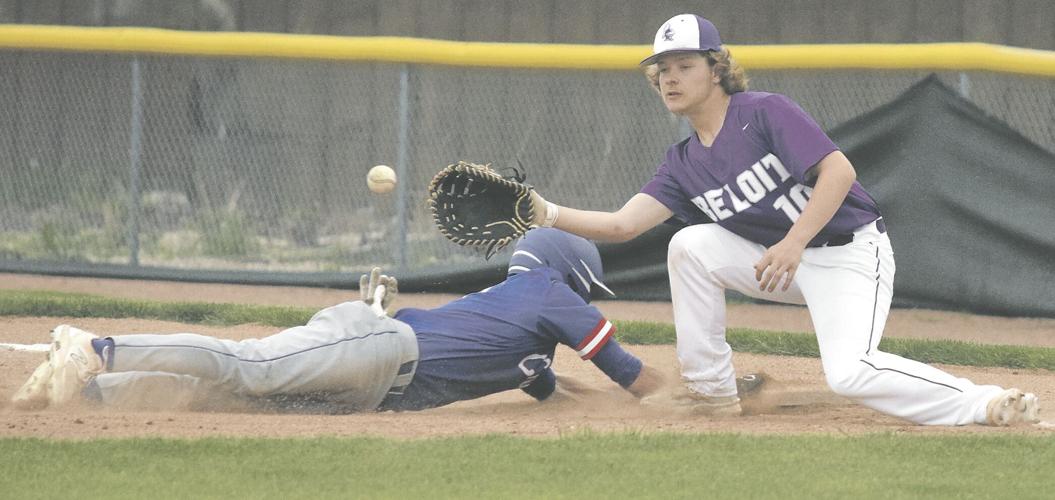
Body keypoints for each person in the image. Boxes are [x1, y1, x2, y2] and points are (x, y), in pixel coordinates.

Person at [524, 14, 1039, 425]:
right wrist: (545, 213)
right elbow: (622, 226)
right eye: (662, 69)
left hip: (849, 255)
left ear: (716, 67)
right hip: (779, 262)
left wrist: (794, 242)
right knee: (689, 245)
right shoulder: (681, 161)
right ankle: (711, 394)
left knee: (850, 374)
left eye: (684, 65)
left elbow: (838, 172)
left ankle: (987, 404)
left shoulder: (763, 112)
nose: (669, 78)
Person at [10, 228, 667, 414]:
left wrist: (579, 400)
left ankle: (89, 392)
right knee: (247, 364)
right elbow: (632, 377)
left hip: (374, 386)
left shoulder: (525, 336)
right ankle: (95, 347)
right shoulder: (551, 295)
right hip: (379, 350)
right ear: (571, 276)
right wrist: (715, 395)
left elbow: (557, 389)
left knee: (233, 397)